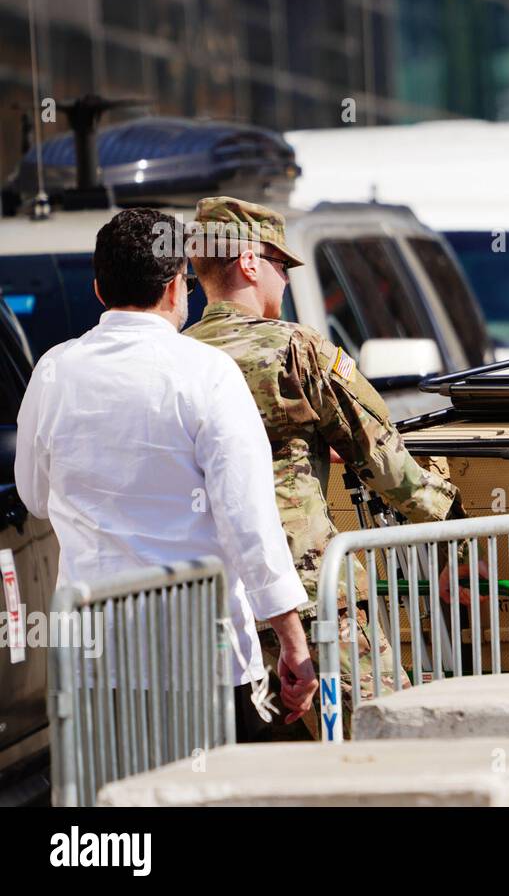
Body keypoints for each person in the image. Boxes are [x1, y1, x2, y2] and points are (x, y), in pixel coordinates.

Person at [15, 207, 316, 742]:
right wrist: (292, 640)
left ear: (99, 290)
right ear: (178, 287)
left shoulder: (54, 370)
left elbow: (35, 497)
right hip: (201, 654)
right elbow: (249, 521)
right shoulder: (207, 372)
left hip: (92, 659)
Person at [183, 197, 463, 736]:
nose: (285, 280)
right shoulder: (296, 349)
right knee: (391, 737)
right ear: (248, 263)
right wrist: (453, 516)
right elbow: (384, 462)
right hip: (308, 594)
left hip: (215, 604)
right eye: (281, 265)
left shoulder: (177, 356)